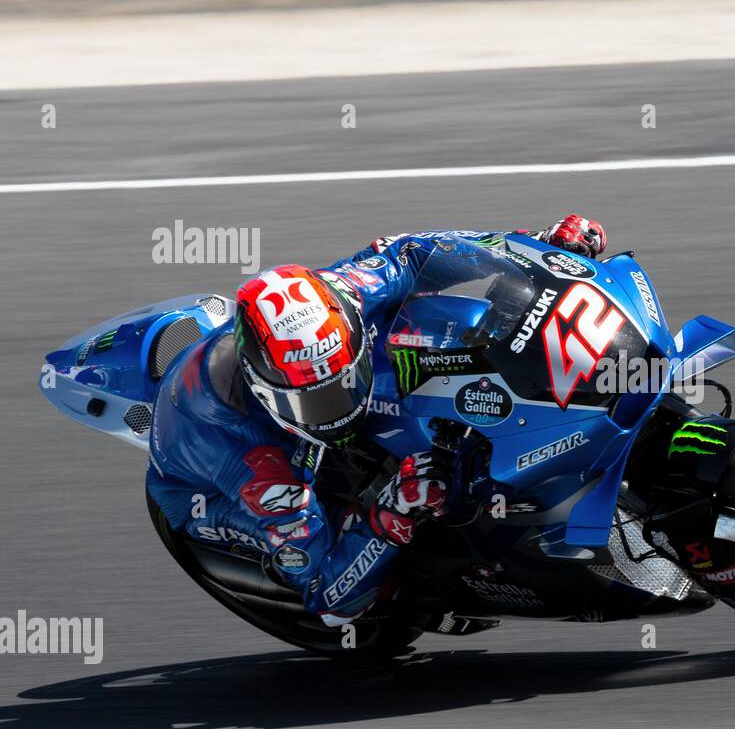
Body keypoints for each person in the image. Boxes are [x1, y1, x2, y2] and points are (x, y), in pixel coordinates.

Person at [146, 214, 607, 627]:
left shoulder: (345, 290)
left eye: (344, 382)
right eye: (318, 401)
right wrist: (393, 510)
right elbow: (328, 598)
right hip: (205, 492)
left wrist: (536, 248)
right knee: (362, 564)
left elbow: (422, 251)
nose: (339, 407)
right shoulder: (260, 472)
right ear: (266, 390)